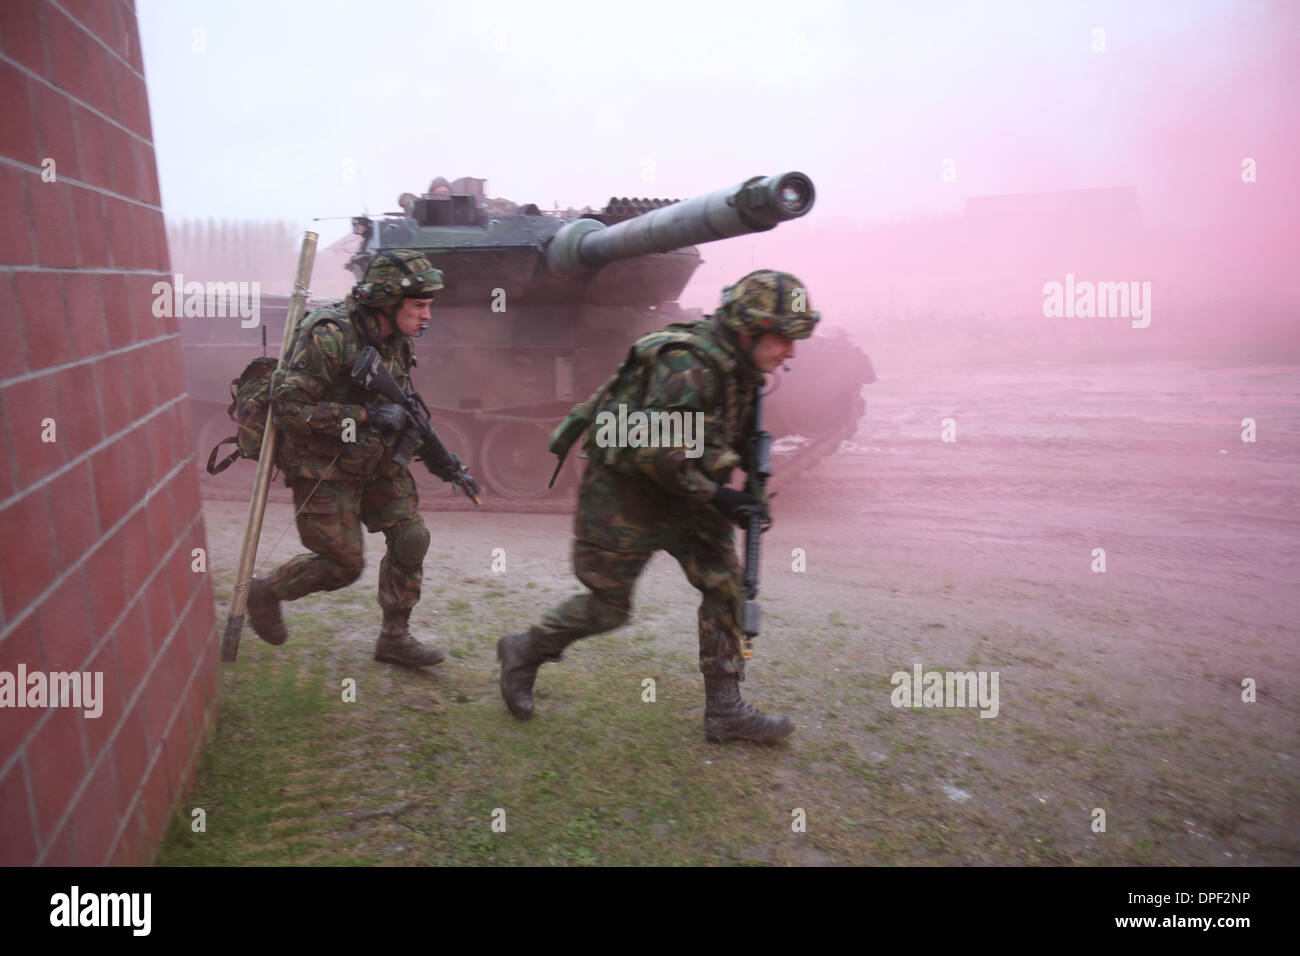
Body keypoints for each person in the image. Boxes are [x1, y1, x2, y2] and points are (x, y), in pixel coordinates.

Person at [496, 270, 819, 743]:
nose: (790, 352)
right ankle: (524, 650)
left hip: (690, 494)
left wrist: (749, 480)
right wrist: (725, 498)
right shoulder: (686, 363)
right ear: (750, 329)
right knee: (609, 608)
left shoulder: (742, 368)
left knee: (726, 586)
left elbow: (724, 434)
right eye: (784, 339)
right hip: (629, 495)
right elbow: (655, 452)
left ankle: (725, 710)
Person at [246, 250, 451, 667]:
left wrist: (432, 452)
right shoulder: (329, 335)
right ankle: (267, 590)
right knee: (343, 565)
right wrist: (364, 414)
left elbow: (402, 402)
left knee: (412, 536)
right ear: (387, 303)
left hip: (373, 459)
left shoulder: (398, 338)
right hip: (324, 466)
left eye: (429, 306)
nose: (428, 315)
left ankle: (394, 637)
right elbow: (287, 410)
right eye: (419, 305)